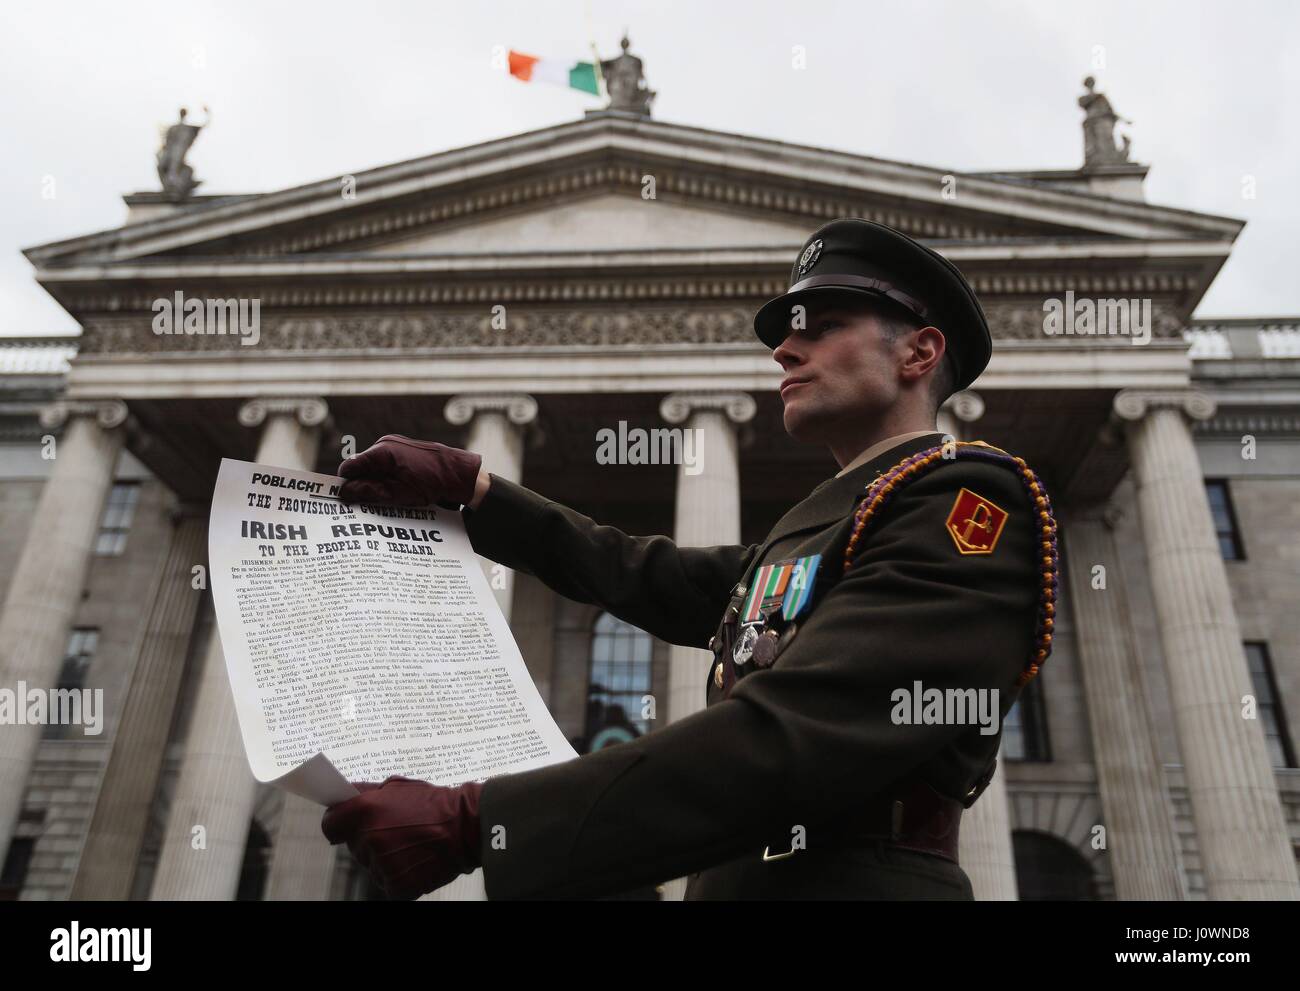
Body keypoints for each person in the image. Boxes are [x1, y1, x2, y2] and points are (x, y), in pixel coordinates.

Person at [320, 218, 1059, 900]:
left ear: (919, 352)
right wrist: (478, 494)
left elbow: (795, 732)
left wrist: (479, 820)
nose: (783, 349)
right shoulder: (832, 521)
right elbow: (647, 574)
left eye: (822, 327)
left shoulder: (971, 500)